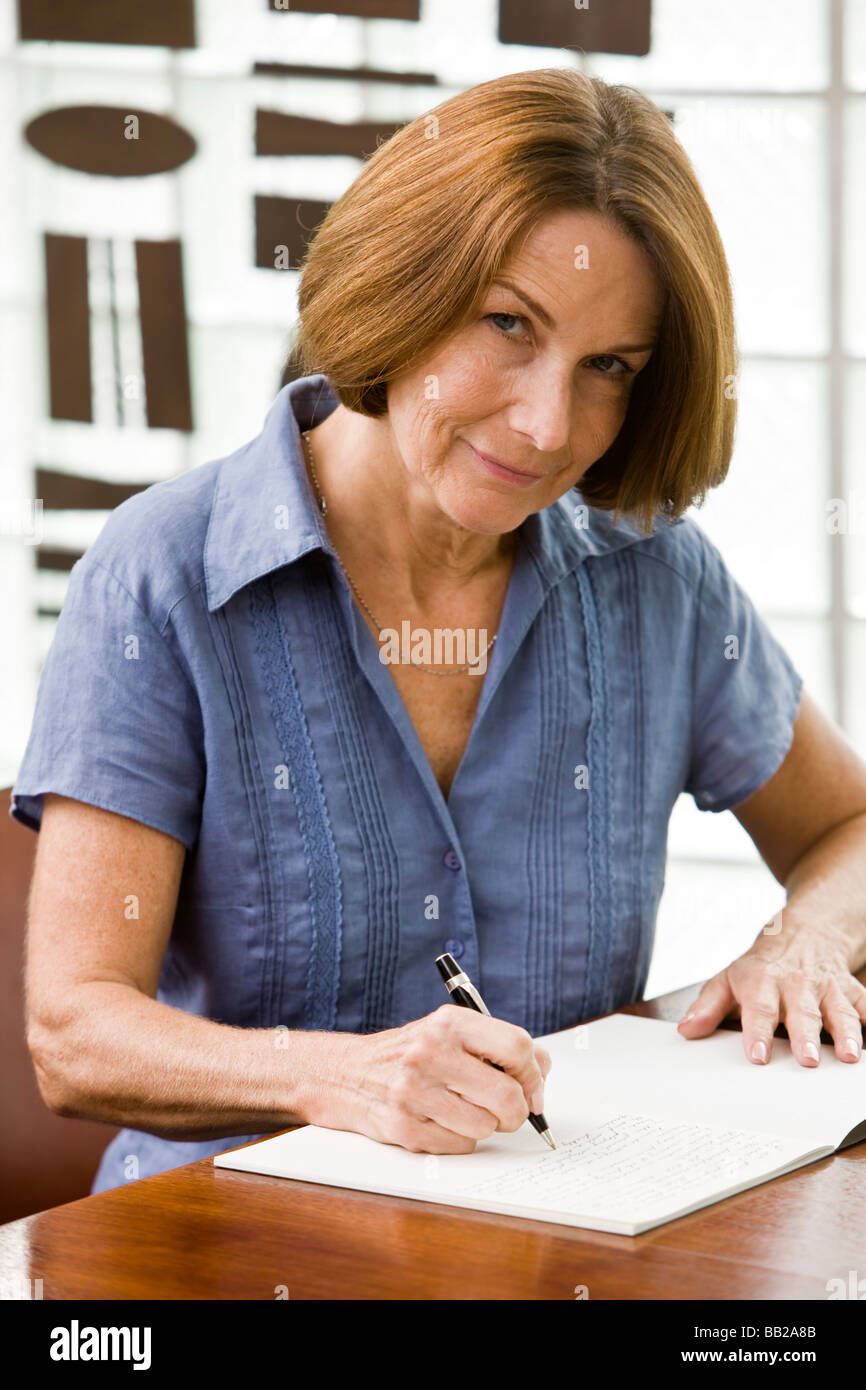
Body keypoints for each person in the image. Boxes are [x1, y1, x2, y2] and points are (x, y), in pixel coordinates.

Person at [13, 68, 866, 1196]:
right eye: (508, 325)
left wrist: (804, 936)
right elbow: (75, 1031)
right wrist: (339, 1077)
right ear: (403, 283)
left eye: (608, 368)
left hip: (561, 1239)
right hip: (218, 1249)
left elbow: (845, 825)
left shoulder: (654, 575)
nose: (548, 425)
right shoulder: (163, 573)